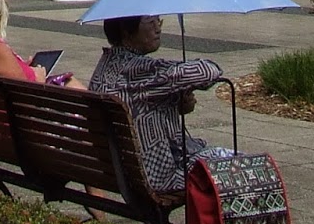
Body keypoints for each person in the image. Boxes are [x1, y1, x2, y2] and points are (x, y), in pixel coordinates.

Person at [88, 14, 232, 194]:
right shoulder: (137, 69)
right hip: (161, 176)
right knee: (246, 167)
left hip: (122, 172)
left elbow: (139, 103)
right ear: (126, 31)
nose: (158, 28)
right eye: (150, 22)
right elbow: (206, 72)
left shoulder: (106, 65)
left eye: (159, 20)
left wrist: (175, 103)